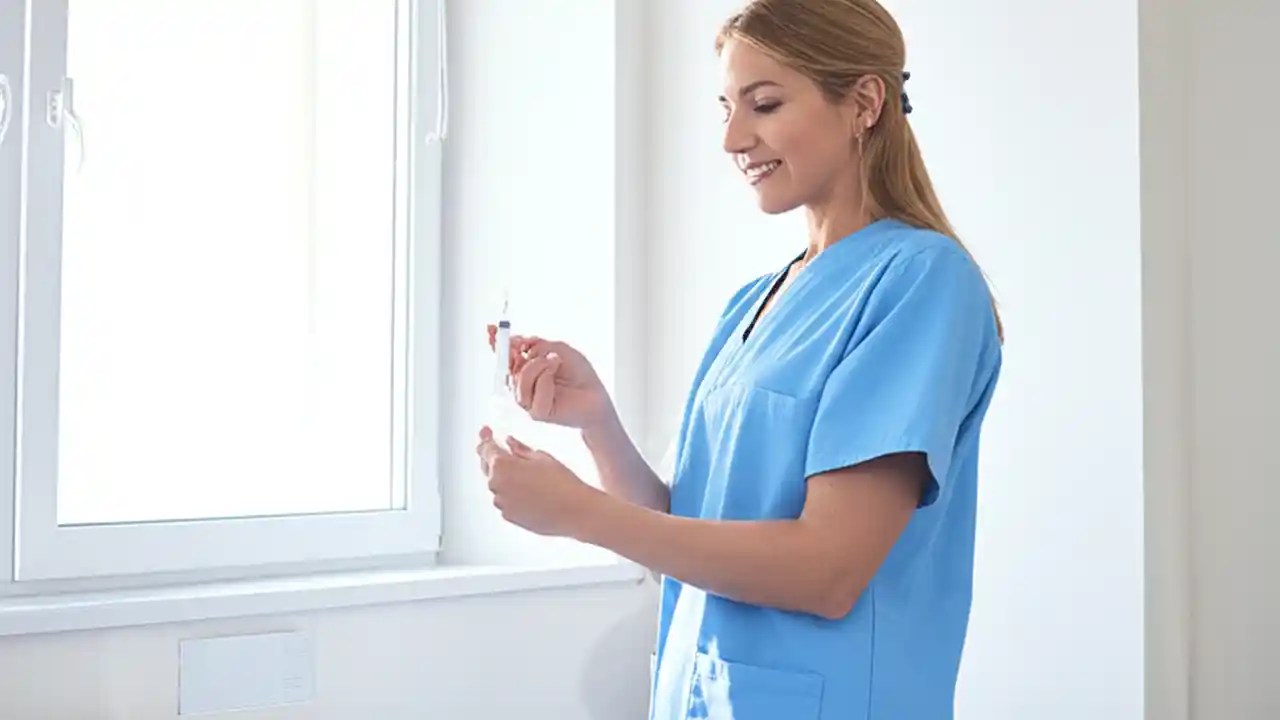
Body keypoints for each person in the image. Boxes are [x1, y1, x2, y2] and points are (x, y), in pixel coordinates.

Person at [476, 0, 1003, 717]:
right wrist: (597, 421)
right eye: (725, 106)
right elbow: (686, 528)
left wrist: (580, 514)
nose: (731, 137)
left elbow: (829, 569)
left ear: (865, 103)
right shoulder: (753, 303)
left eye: (764, 103)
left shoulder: (922, 283)